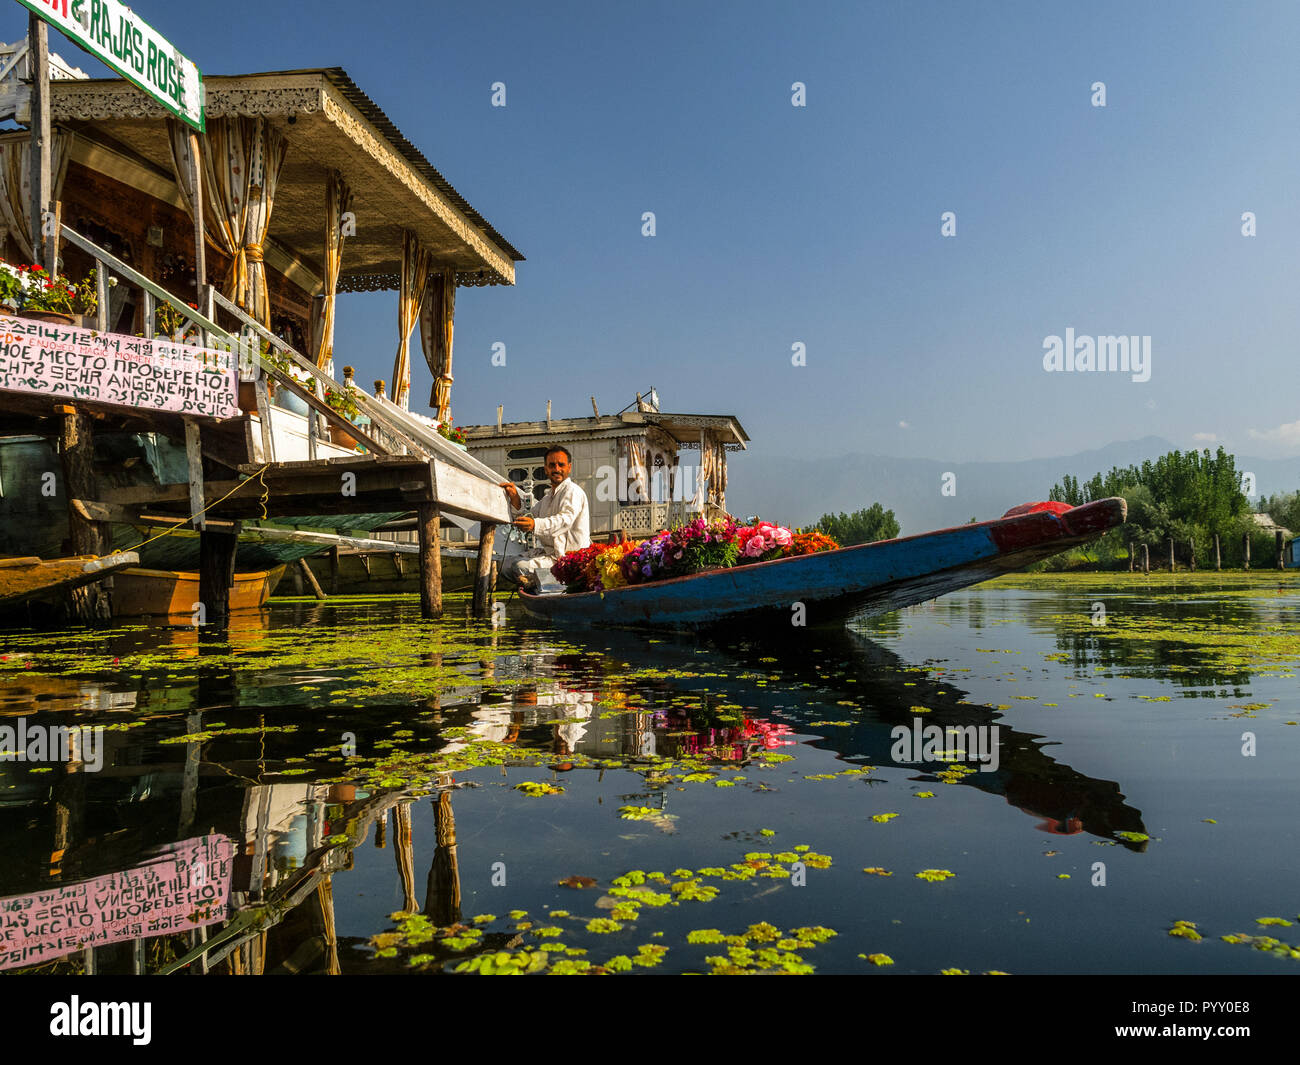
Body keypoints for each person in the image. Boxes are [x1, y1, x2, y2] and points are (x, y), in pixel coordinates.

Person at [499, 445, 590, 592]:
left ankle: (541, 586)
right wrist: (515, 498)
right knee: (505, 565)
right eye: (552, 465)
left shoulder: (573, 491)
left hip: (570, 560)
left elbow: (565, 520)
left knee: (519, 567)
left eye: (561, 465)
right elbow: (529, 517)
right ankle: (538, 586)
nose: (556, 469)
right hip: (550, 556)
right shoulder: (547, 498)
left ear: (569, 467)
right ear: (546, 469)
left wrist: (535, 525)